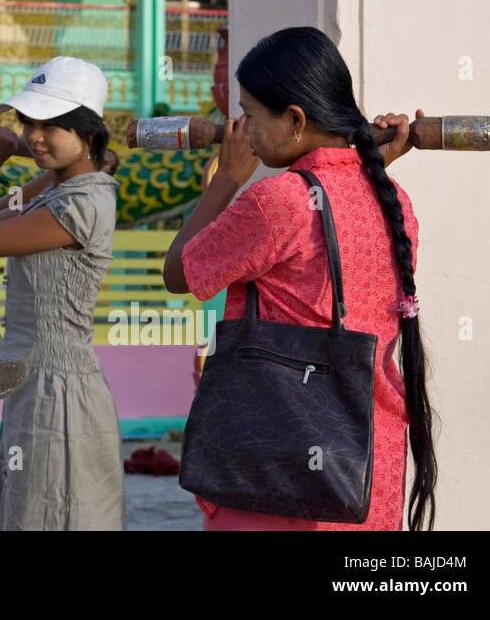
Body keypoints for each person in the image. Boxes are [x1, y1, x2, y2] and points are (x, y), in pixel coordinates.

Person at [163, 26, 437, 531]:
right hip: (367, 455)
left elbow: (179, 272)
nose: (243, 129)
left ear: (294, 120)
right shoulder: (392, 197)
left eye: (250, 114)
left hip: (282, 456)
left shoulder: (278, 201)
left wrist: (225, 179)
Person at [0, 56, 125, 530]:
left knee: (52, 512)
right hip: (35, 384)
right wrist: (43, 168)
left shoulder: (81, 204)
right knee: (27, 509)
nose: (34, 135)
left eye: (51, 124)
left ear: (87, 130)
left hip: (61, 393)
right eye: (29, 122)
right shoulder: (58, 192)